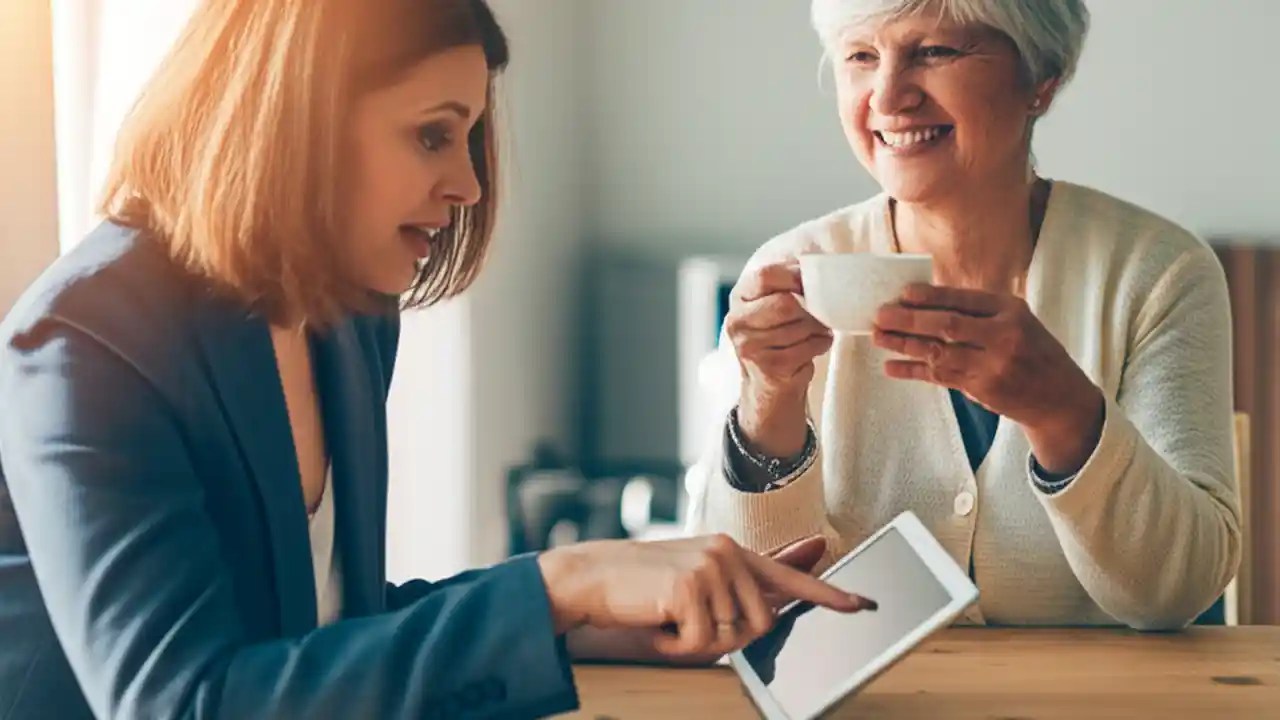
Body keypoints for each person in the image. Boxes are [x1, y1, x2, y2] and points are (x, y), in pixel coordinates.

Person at [0, 2, 873, 717]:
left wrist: (594, 612)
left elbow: (330, 626)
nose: (470, 186)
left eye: (468, 138)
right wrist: (561, 586)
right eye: (432, 136)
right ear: (293, 119)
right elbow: (183, 701)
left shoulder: (346, 315)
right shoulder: (86, 343)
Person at [686, 0, 1241, 631]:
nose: (889, 98)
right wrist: (766, 404)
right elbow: (747, 604)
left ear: (1040, 80)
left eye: (935, 52)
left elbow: (1176, 594)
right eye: (862, 56)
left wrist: (1065, 415)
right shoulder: (794, 274)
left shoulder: (1158, 272)